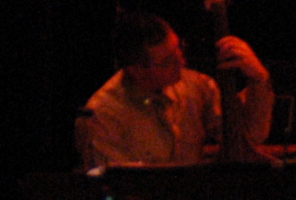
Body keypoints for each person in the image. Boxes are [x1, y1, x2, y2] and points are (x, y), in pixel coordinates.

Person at [74, 10, 276, 168]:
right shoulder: (103, 115)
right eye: (168, 61)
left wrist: (258, 80)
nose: (182, 61)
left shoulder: (196, 86)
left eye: (179, 48)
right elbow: (118, 188)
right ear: (136, 70)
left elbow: (248, 138)